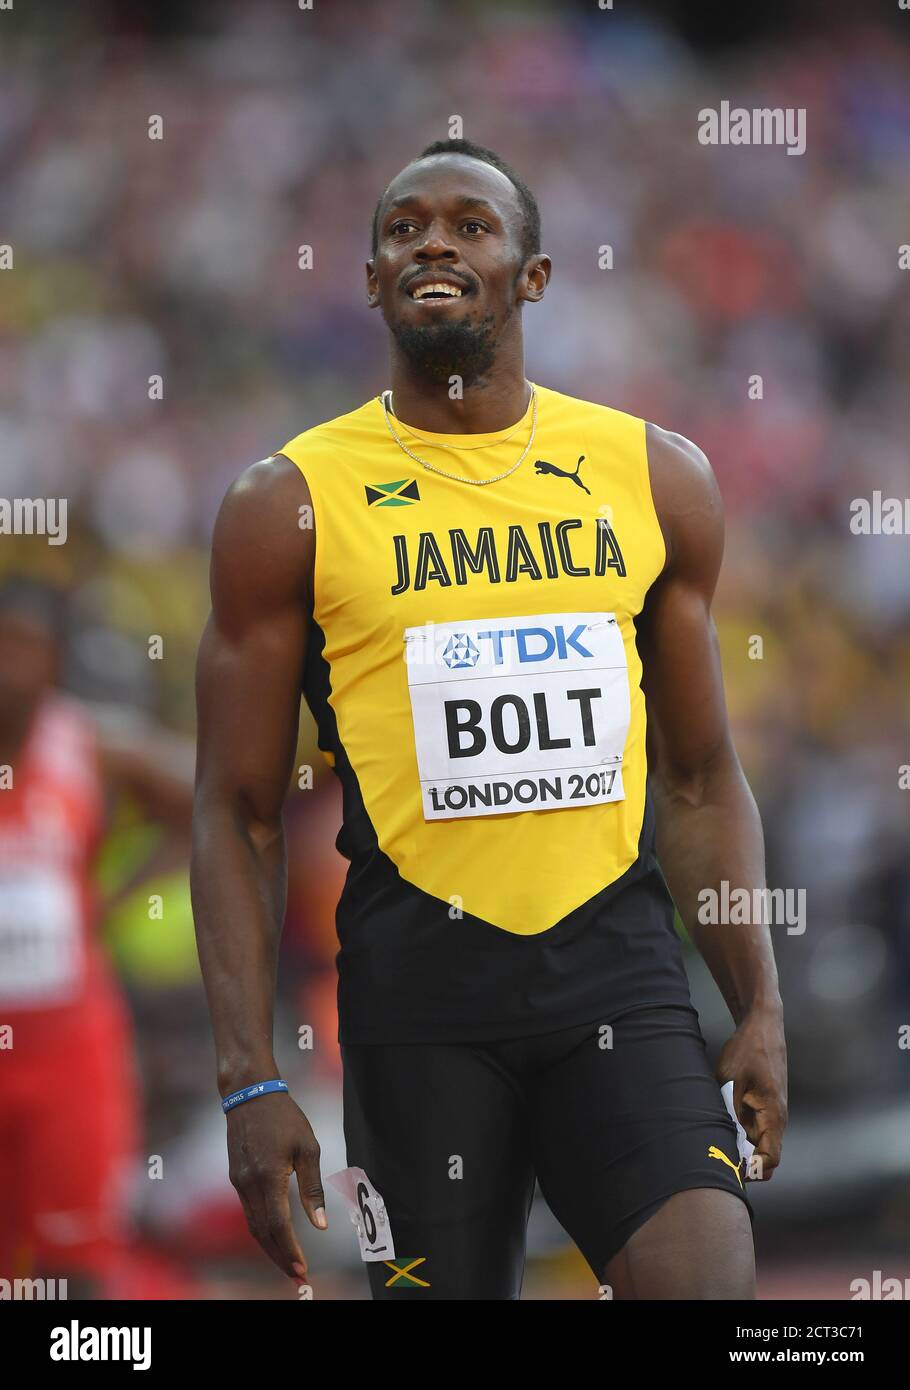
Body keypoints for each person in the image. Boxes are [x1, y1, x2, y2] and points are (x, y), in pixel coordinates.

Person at [191, 139, 787, 1300]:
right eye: (405, 228)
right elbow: (237, 809)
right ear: (369, 279)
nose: (434, 244)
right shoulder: (288, 504)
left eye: (470, 225)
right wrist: (249, 1079)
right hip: (418, 1010)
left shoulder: (651, 477)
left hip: (615, 982)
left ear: (532, 274)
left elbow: (703, 779)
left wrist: (758, 1006)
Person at [0, 576, 193, 1297]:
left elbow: (205, 798)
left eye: (27, 649)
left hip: (69, 1052)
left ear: (55, 660)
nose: (10, 667)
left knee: (75, 1268)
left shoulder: (85, 744)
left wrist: (114, 898)